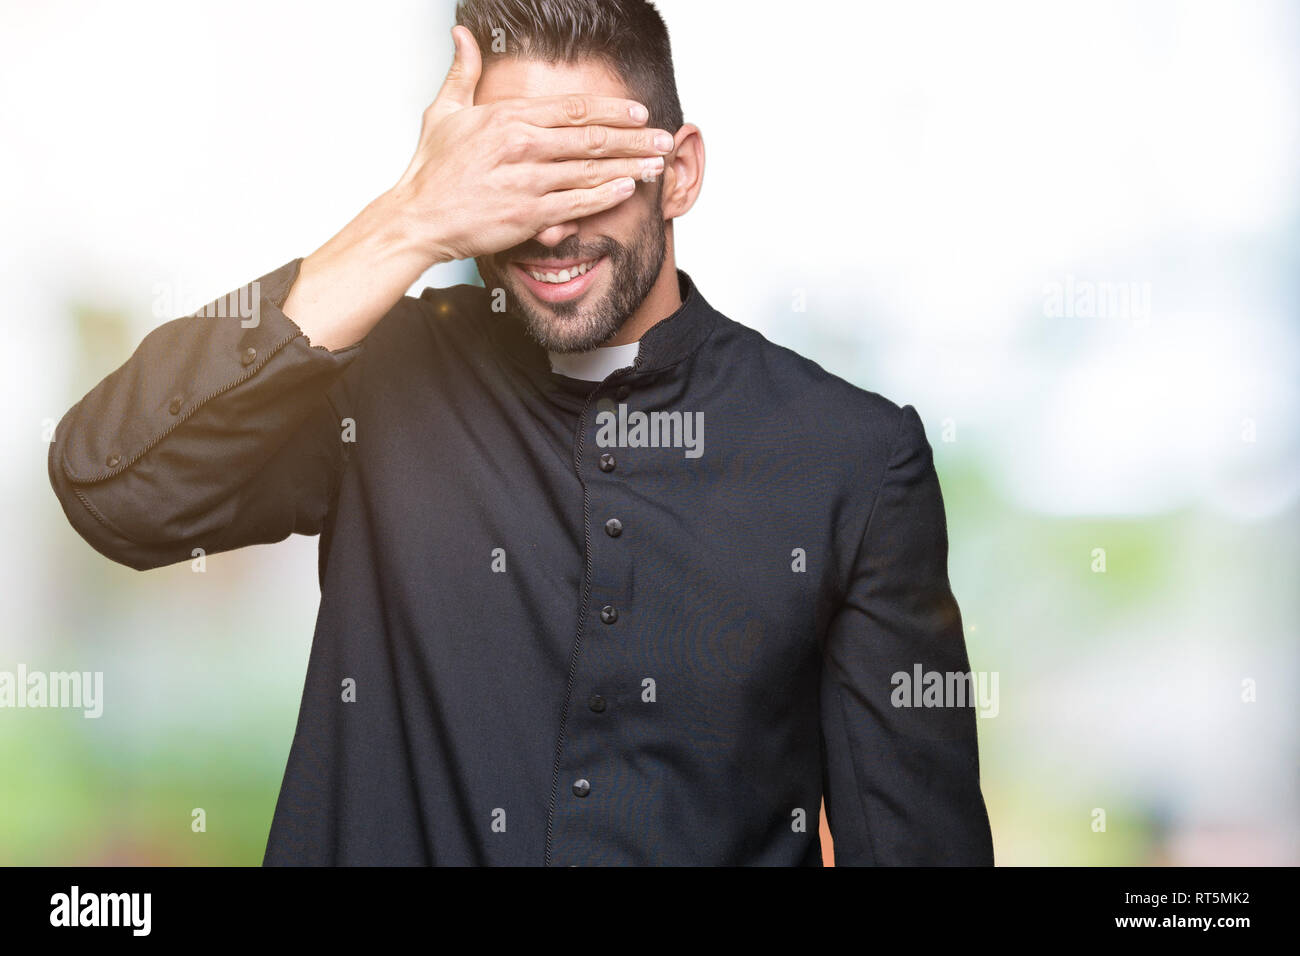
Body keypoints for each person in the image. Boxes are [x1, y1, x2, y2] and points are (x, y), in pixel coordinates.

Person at [48, 0, 994, 866]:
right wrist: (407, 221)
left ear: (680, 172)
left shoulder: (852, 458)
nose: (550, 229)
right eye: (513, 175)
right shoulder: (378, 377)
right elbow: (112, 488)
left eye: (583, 172)